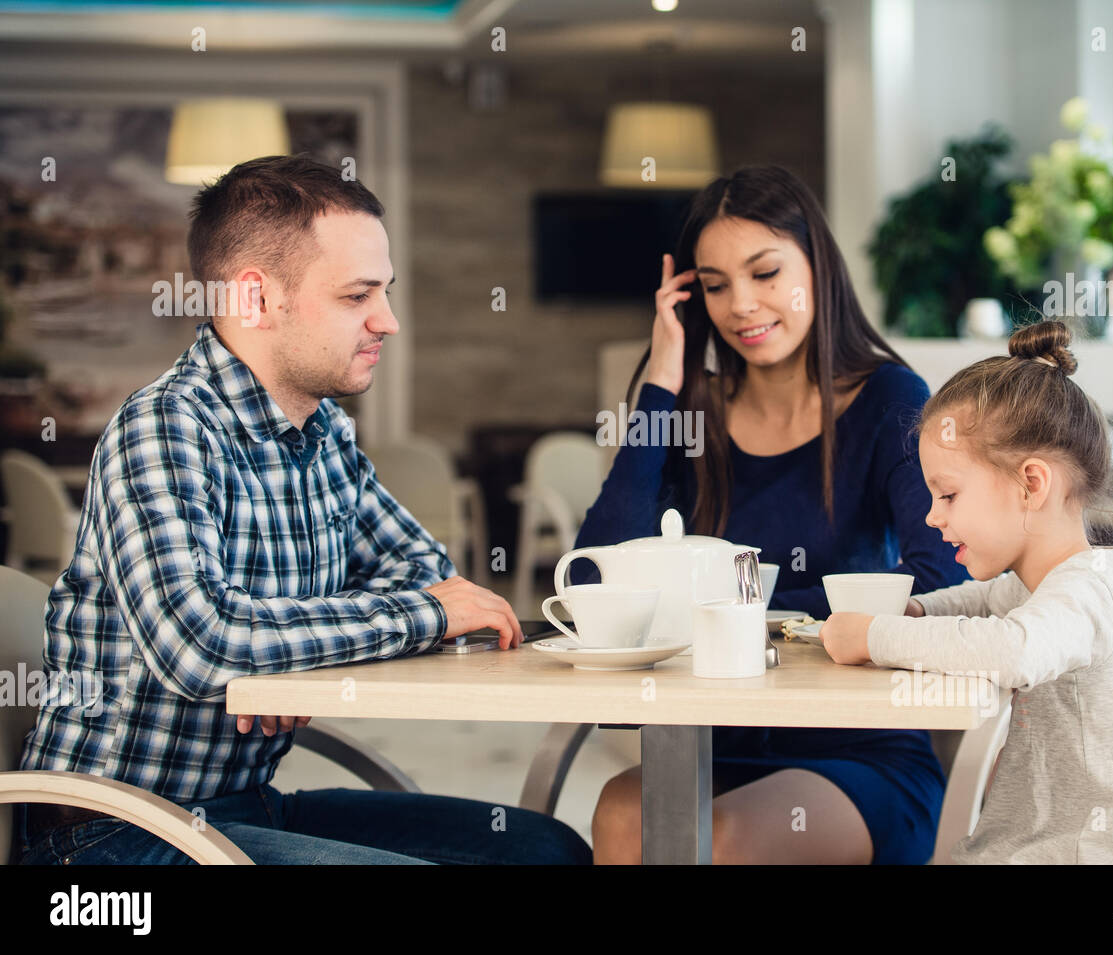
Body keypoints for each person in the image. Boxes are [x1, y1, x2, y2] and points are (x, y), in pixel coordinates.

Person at [16, 155, 592, 865]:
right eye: (358, 296)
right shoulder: (164, 427)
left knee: (543, 849)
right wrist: (411, 618)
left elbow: (426, 570)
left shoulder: (323, 431)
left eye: (385, 292)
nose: (390, 320)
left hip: (238, 806)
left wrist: (292, 663)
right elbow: (201, 648)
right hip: (108, 828)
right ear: (256, 300)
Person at [576, 165, 969, 864]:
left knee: (722, 841)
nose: (742, 306)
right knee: (618, 815)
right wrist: (663, 383)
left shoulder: (890, 401)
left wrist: (736, 610)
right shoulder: (694, 412)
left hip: (857, 748)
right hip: (711, 738)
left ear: (816, 266)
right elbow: (597, 587)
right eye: (716, 284)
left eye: (765, 273)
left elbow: (938, 576)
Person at [821, 320, 1113, 863]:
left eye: (948, 494)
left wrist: (875, 635)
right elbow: (980, 603)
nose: (932, 517)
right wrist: (911, 610)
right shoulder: (1046, 583)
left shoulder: (1091, 592)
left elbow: (1015, 650)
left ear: (1031, 485)